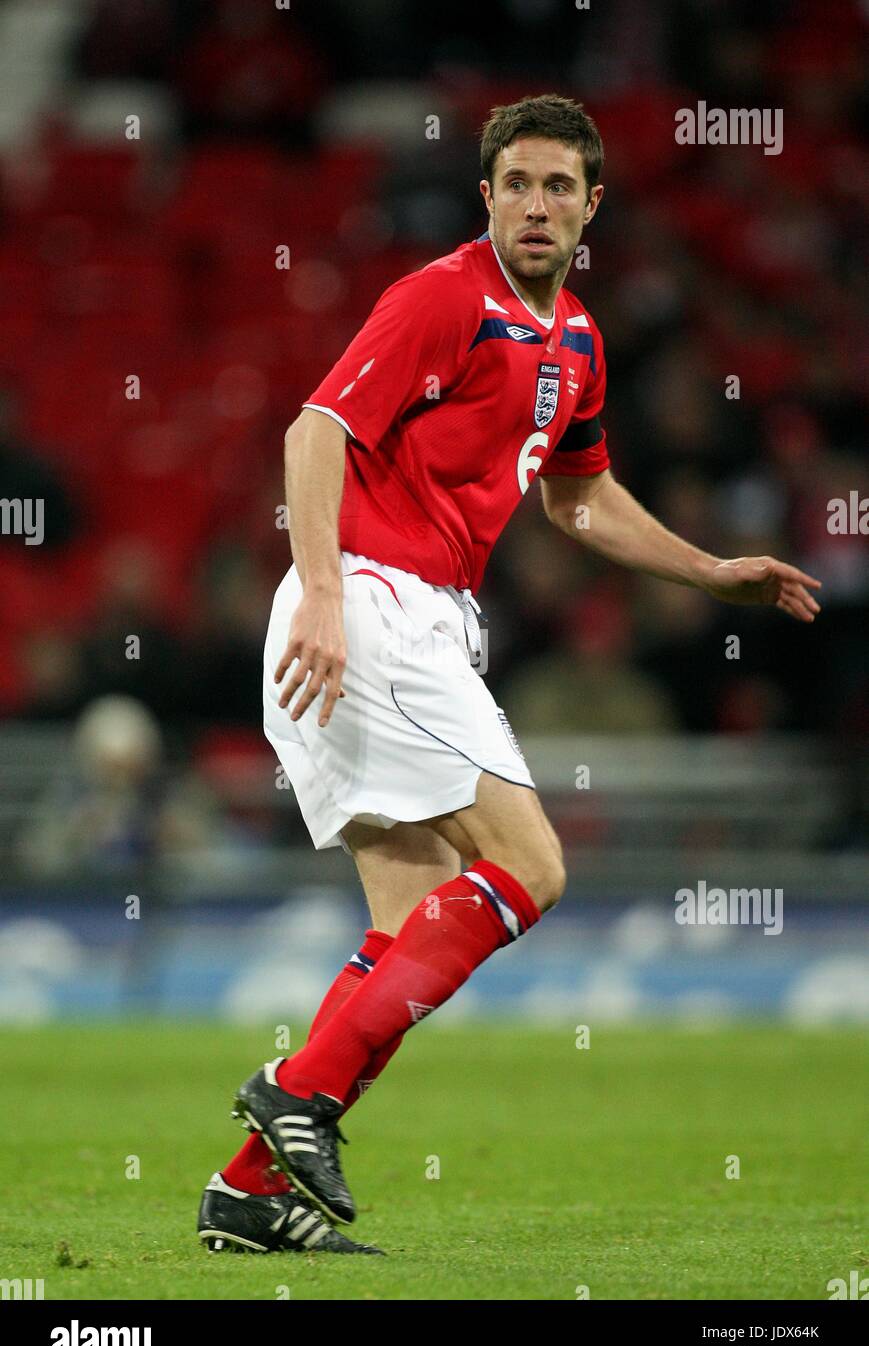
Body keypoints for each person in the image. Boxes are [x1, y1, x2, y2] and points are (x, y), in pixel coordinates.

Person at [198, 94, 821, 1256]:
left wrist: (704, 570)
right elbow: (313, 433)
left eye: (559, 188)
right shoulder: (443, 297)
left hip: (404, 617)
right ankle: (296, 1091)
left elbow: (576, 496)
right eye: (516, 184)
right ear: (483, 196)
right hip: (371, 602)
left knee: (407, 925)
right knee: (529, 866)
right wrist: (326, 594)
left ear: (593, 207)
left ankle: (246, 1192)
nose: (536, 206)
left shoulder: (575, 341)